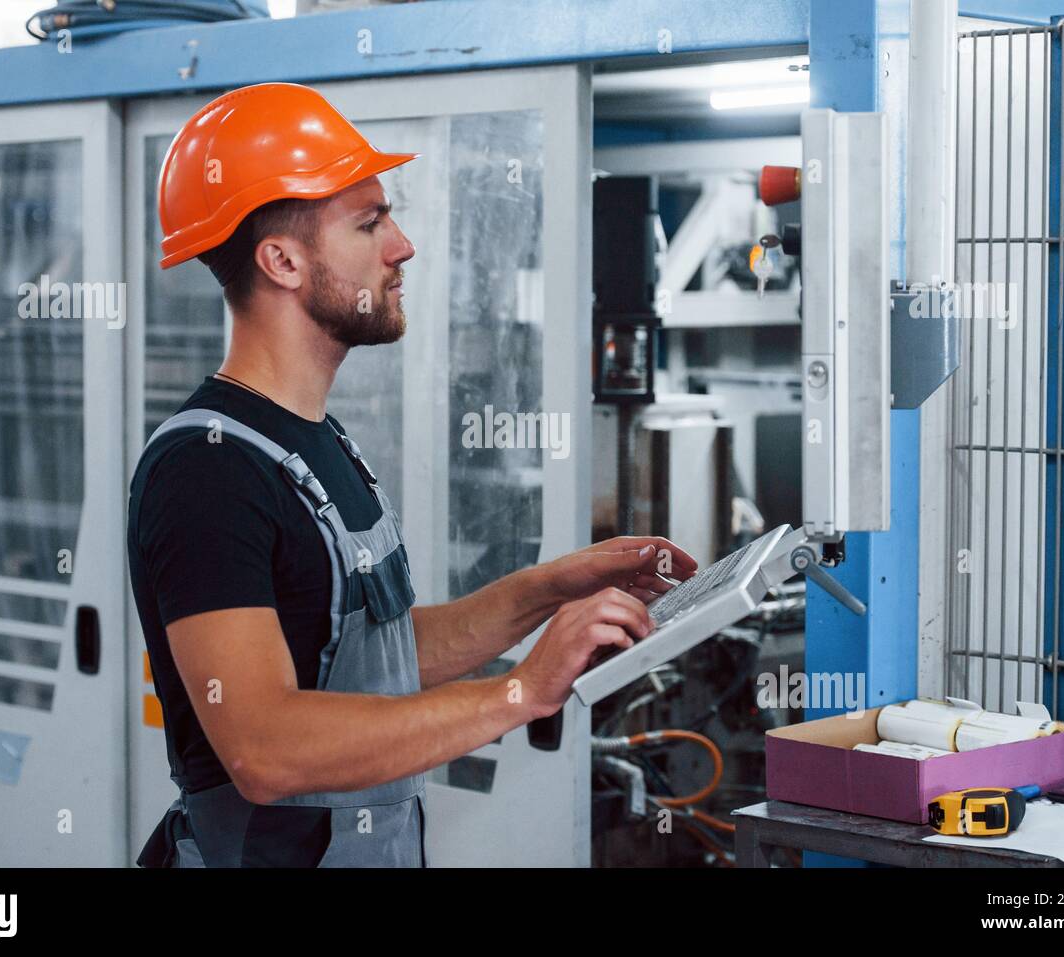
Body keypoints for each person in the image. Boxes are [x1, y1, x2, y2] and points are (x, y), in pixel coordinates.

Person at [128, 82, 696, 867]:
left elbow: (385, 659)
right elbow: (264, 747)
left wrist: (552, 588)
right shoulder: (206, 472)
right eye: (369, 222)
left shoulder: (317, 442)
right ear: (282, 260)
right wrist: (520, 691)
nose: (403, 245)